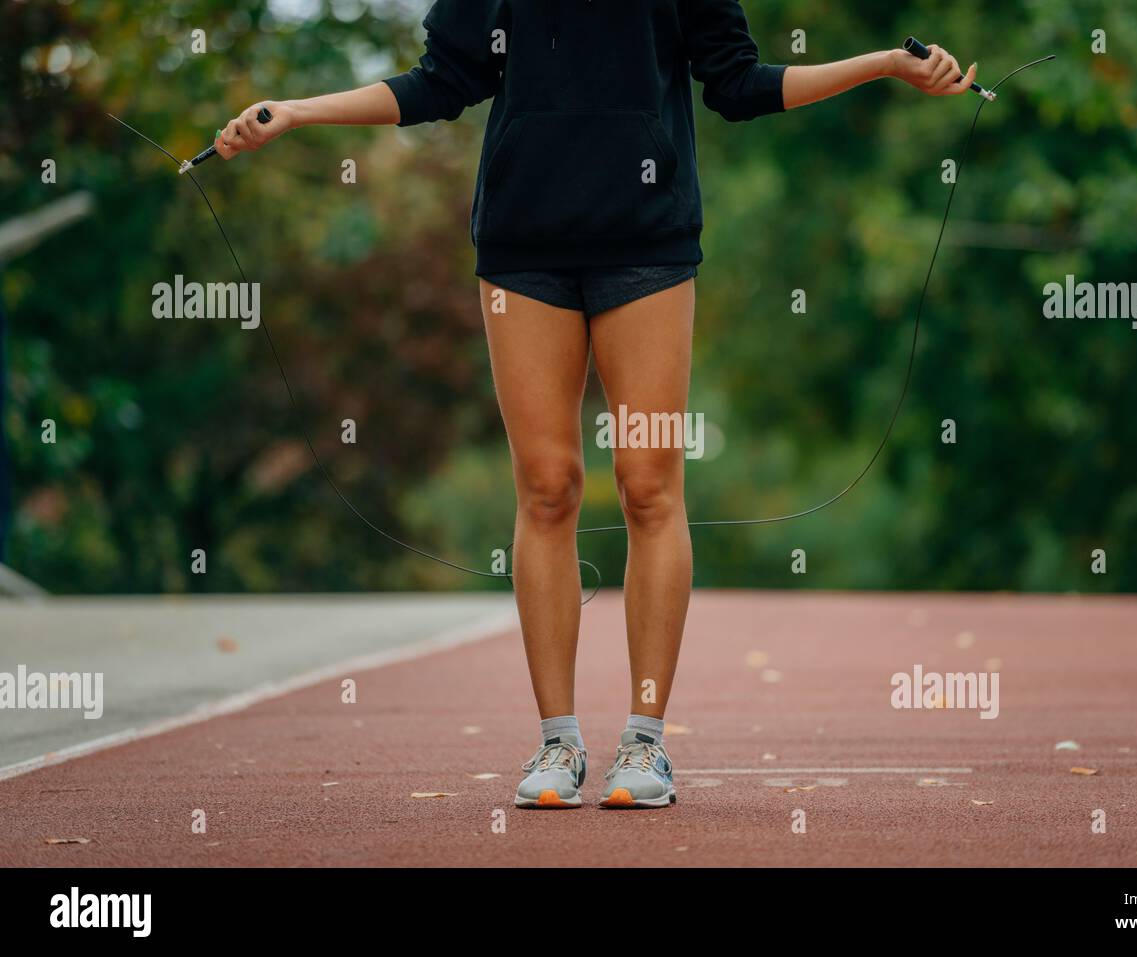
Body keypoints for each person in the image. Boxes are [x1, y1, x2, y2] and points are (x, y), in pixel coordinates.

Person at [214, 0, 975, 809]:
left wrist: (883, 64)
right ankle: (557, 744)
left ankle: (645, 745)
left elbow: (739, 84)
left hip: (646, 249)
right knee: (547, 489)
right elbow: (439, 84)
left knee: (650, 486)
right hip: (521, 255)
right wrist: (297, 111)